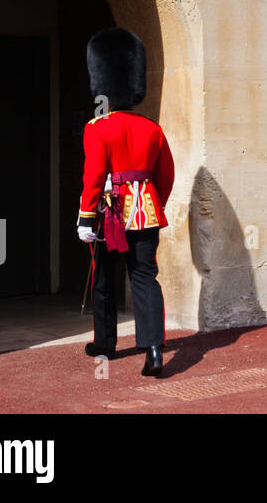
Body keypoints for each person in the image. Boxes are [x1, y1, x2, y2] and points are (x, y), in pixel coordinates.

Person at [76, 27, 174, 376]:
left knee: (104, 277)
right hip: (145, 210)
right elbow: (165, 176)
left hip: (109, 213)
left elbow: (93, 175)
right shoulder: (151, 128)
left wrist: (87, 216)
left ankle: (105, 343)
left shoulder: (97, 127)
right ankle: (153, 348)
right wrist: (151, 201)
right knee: (145, 277)